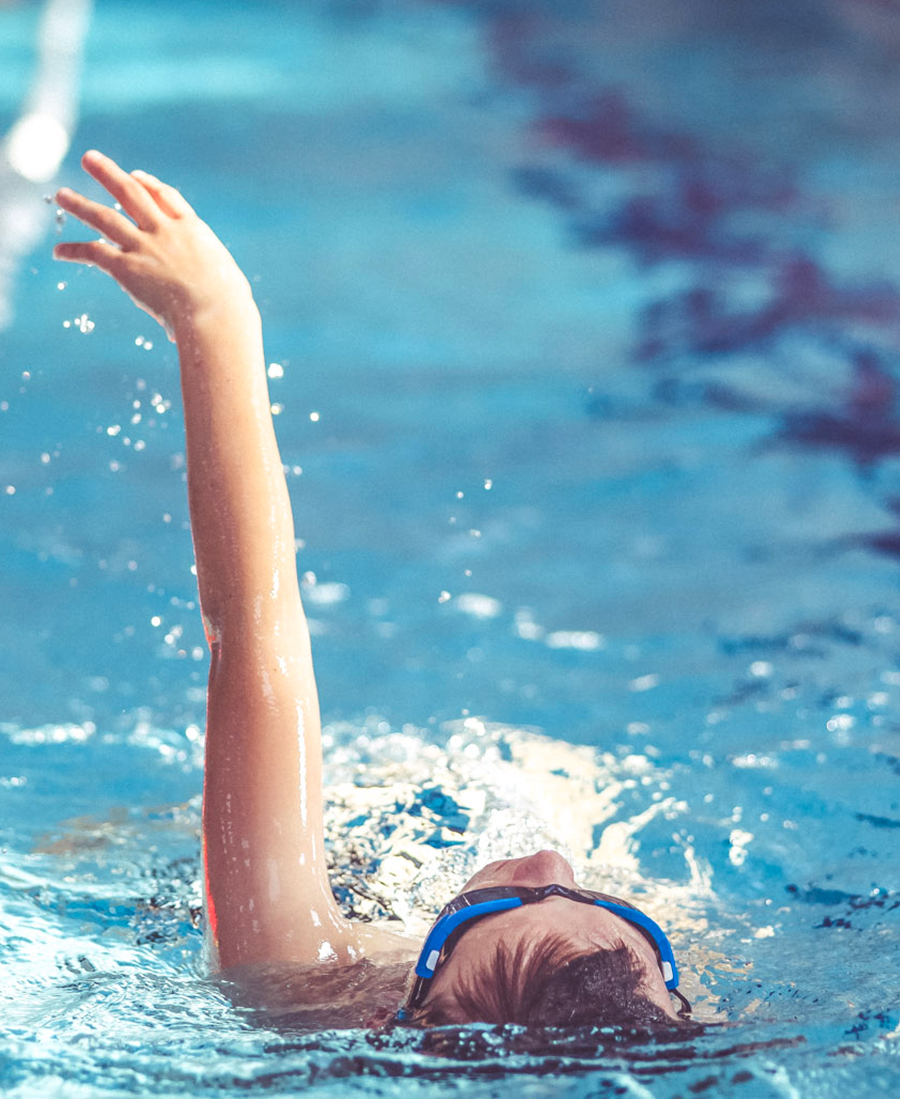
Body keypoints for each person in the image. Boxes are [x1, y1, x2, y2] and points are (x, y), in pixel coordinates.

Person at [53, 150, 692, 1031]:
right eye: (626, 921)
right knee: (559, 791)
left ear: (411, 997)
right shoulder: (650, 1019)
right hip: (451, 821)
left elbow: (251, 629)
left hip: (352, 840)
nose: (546, 858)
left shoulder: (296, 977)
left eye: (500, 907)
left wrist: (213, 317)